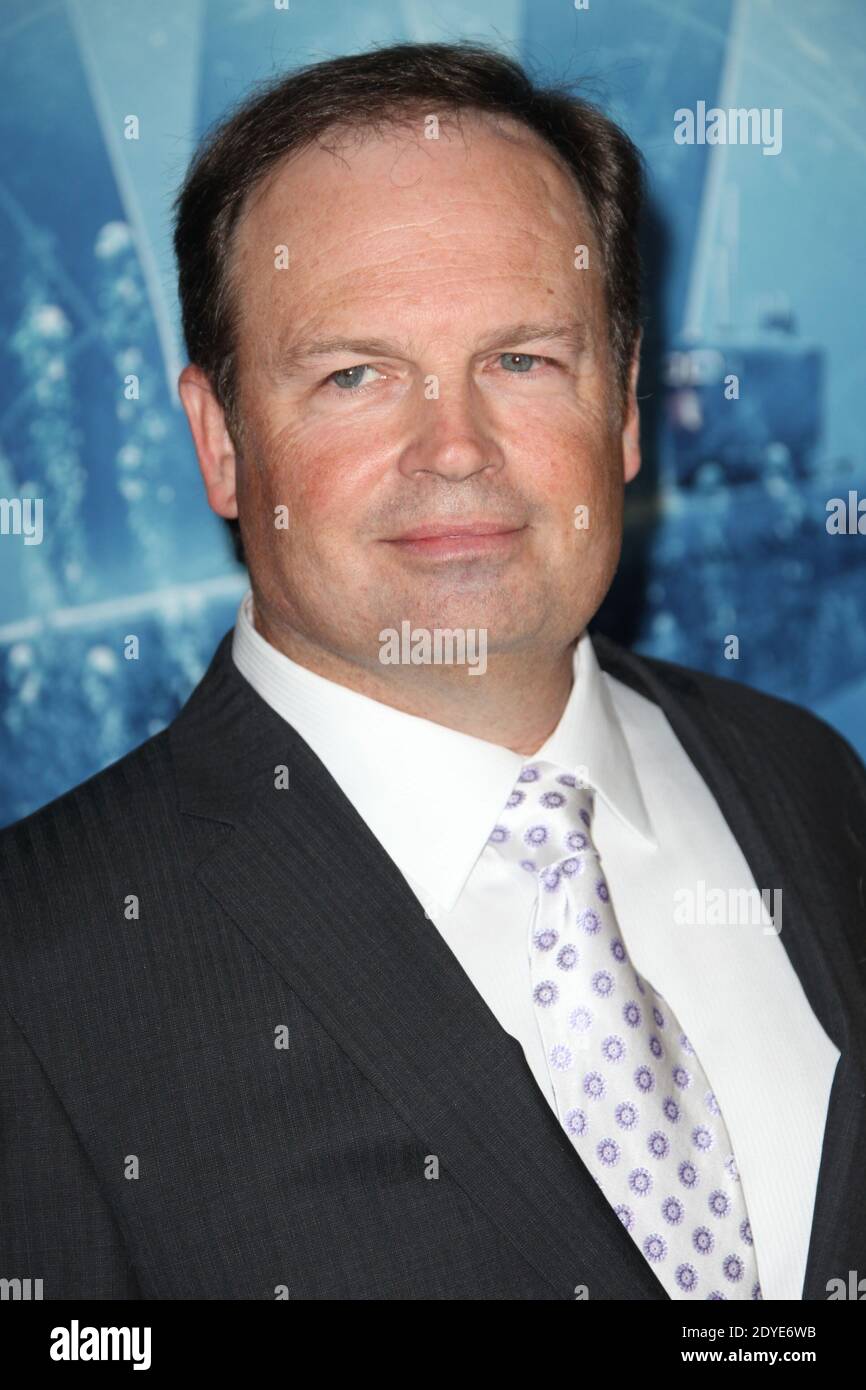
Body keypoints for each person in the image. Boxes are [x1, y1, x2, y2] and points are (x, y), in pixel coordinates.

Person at [2, 41, 865, 1302]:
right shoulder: (33, 980)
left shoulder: (807, 777)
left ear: (621, 407)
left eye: (521, 359)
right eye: (354, 375)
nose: (453, 449)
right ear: (219, 441)